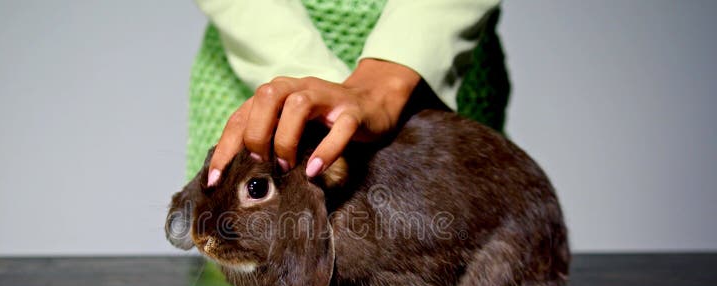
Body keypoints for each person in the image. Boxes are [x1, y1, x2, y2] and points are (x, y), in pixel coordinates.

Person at [187, 0, 508, 186]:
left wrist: (390, 77)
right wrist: (310, 91)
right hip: (258, 65)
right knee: (248, 277)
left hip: (433, 70)